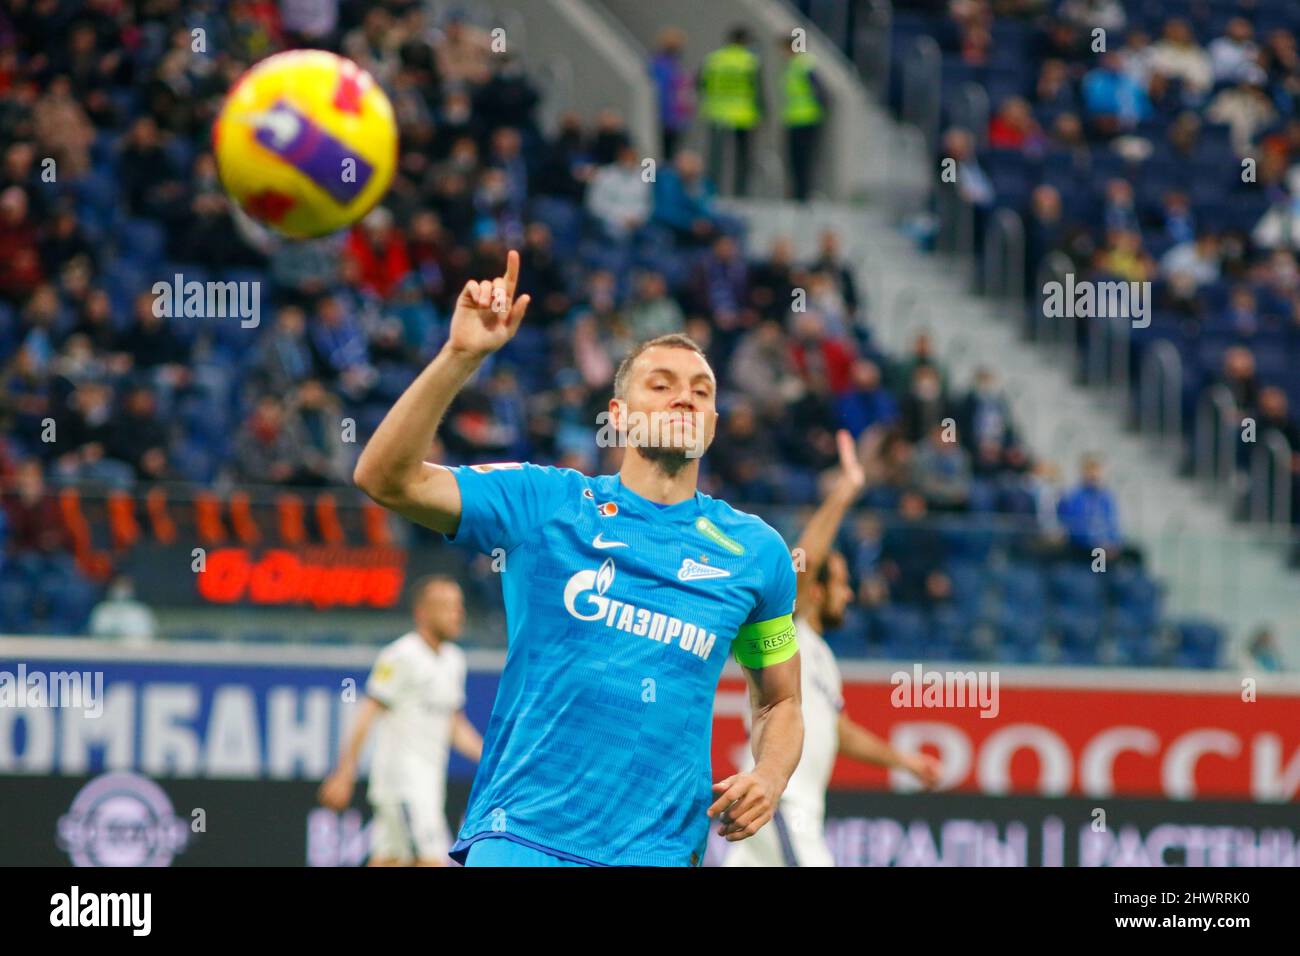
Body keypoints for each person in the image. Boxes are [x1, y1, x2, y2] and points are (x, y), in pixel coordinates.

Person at [353, 251, 803, 867]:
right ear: (617, 416)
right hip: (524, 839)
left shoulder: (758, 555)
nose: (684, 400)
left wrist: (771, 776)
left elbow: (779, 700)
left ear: (714, 423)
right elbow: (386, 477)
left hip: (662, 852)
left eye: (701, 392)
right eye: (662, 385)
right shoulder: (549, 502)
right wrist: (460, 358)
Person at [725, 430, 941, 867]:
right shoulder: (788, 631)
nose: (849, 595)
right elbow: (801, 562)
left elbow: (836, 729)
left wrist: (902, 761)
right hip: (783, 809)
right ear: (818, 591)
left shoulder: (822, 657)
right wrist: (844, 493)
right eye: (841, 583)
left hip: (787, 818)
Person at [318, 576, 483, 866]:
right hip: (403, 784)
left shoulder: (455, 660)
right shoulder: (400, 655)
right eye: (446, 606)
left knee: (389, 859)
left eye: (459, 606)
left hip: (429, 783)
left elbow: (455, 726)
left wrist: (491, 758)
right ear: (422, 613)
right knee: (433, 860)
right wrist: (344, 772)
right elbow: (367, 713)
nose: (458, 614)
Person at [699, 27, 763, 197]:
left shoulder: (714, 59)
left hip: (717, 112)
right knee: (742, 159)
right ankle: (740, 193)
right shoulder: (750, 61)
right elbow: (758, 90)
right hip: (743, 114)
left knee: (715, 158)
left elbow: (701, 84)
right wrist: (762, 113)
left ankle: (712, 192)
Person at [777, 36, 827, 201]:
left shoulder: (803, 65)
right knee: (794, 159)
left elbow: (819, 91)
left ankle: (802, 195)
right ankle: (798, 194)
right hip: (794, 118)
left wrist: (819, 111)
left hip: (806, 118)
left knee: (802, 159)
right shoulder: (793, 66)